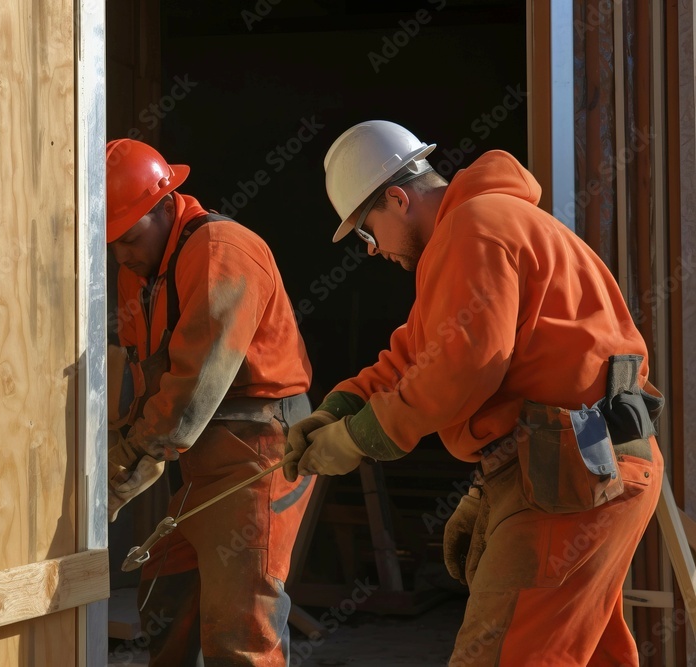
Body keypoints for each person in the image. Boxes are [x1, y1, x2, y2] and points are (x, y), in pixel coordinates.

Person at [282, 120, 664, 665]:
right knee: (578, 652)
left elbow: (464, 367)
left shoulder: (475, 229)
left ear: (396, 197)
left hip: (574, 474)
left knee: (501, 654)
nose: (370, 250)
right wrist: (339, 409)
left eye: (368, 231)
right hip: (579, 466)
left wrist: (362, 437)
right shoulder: (477, 231)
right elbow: (415, 354)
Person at [105, 138, 315, 666]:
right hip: (203, 454)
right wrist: (127, 445)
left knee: (240, 626)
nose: (121, 255)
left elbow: (195, 385)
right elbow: (147, 373)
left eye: (127, 238)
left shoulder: (221, 250)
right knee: (166, 590)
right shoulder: (140, 269)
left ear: (162, 207)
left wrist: (130, 459)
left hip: (259, 452)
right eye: (110, 244)